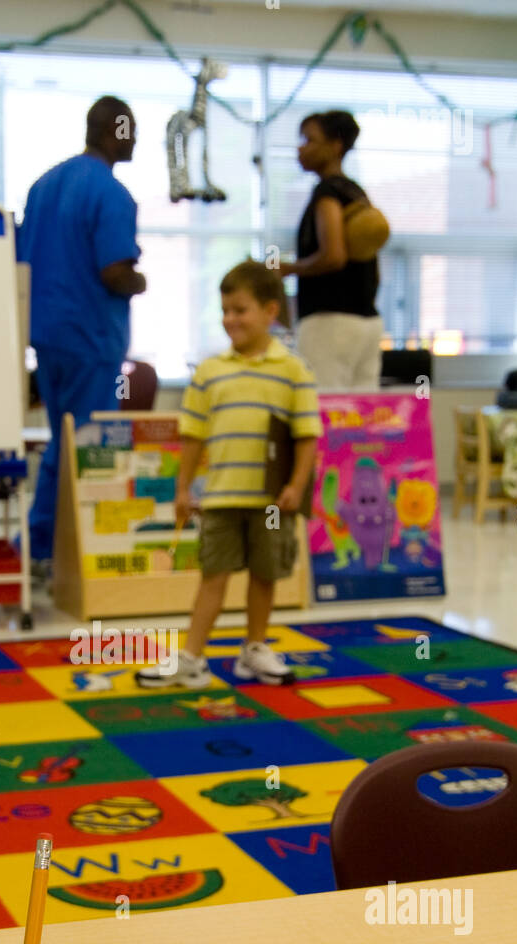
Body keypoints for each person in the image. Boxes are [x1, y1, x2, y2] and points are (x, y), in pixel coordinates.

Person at [137, 260, 321, 690]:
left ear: (270, 311)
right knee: (213, 576)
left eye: (240, 310)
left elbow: (308, 435)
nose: (230, 319)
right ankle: (192, 658)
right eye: (225, 310)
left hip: (272, 501)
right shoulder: (209, 371)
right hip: (220, 497)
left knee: (265, 574)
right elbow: (192, 436)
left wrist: (296, 485)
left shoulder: (294, 370)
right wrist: (183, 488)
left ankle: (254, 649)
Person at [16, 96, 146, 567]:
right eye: (132, 130)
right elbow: (114, 271)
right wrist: (140, 279)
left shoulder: (43, 186)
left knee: (63, 437)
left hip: (47, 334)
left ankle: (49, 546)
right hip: (90, 338)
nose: (136, 140)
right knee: (83, 441)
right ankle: (42, 546)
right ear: (115, 131)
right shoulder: (111, 194)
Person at [277, 110, 384, 391]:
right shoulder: (356, 194)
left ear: (335, 146)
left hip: (330, 322)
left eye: (310, 140)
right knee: (362, 415)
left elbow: (333, 256)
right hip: (368, 322)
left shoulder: (327, 193)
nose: (301, 148)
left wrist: (288, 268)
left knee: (326, 410)